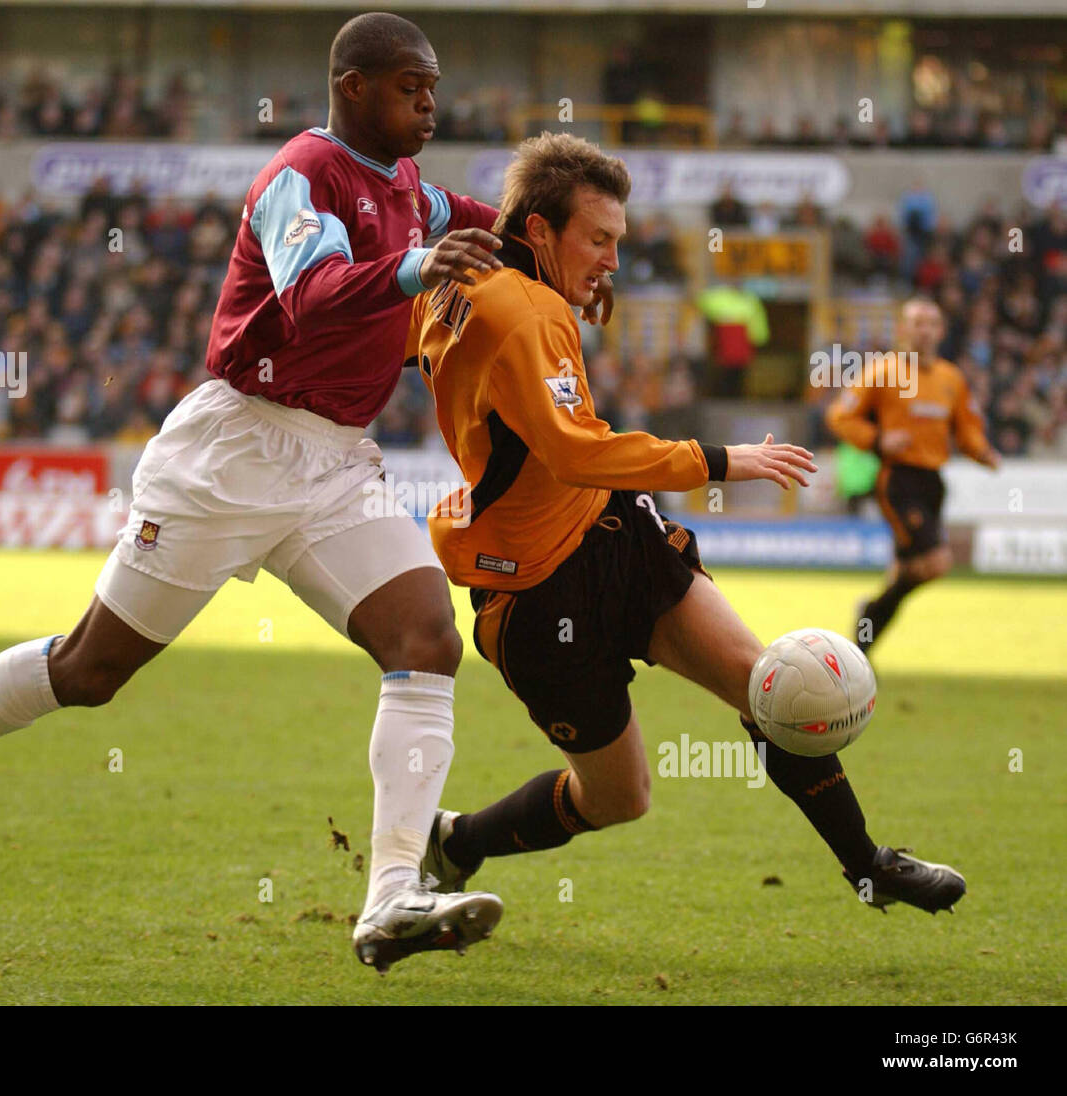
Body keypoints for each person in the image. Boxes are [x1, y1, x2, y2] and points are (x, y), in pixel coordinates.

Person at [0, 12, 612, 976]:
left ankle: (391, 897)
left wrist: (573, 270)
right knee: (90, 672)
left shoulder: (413, 191)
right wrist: (420, 265)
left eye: (435, 88)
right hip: (232, 452)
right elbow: (314, 292)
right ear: (352, 86)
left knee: (423, 640)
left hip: (334, 462)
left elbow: (504, 238)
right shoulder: (303, 171)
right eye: (412, 86)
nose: (430, 103)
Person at [406, 132, 966, 921]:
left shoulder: (463, 282)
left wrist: (560, 293)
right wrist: (718, 460)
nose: (612, 259)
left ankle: (868, 865)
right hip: (532, 591)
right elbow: (571, 449)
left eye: (617, 241)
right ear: (538, 231)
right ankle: (456, 843)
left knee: (771, 692)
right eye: (597, 240)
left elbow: (421, 344)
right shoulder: (524, 307)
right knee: (619, 796)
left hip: (610, 534)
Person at [826, 297, 999, 656]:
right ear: (903, 330)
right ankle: (869, 614)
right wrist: (877, 439)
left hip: (934, 481)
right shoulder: (883, 371)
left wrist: (980, 451)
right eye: (917, 322)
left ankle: (862, 645)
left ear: (941, 331)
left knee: (908, 572)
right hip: (899, 480)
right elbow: (840, 417)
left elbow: (966, 427)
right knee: (935, 563)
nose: (924, 329)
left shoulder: (951, 378)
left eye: (931, 323)